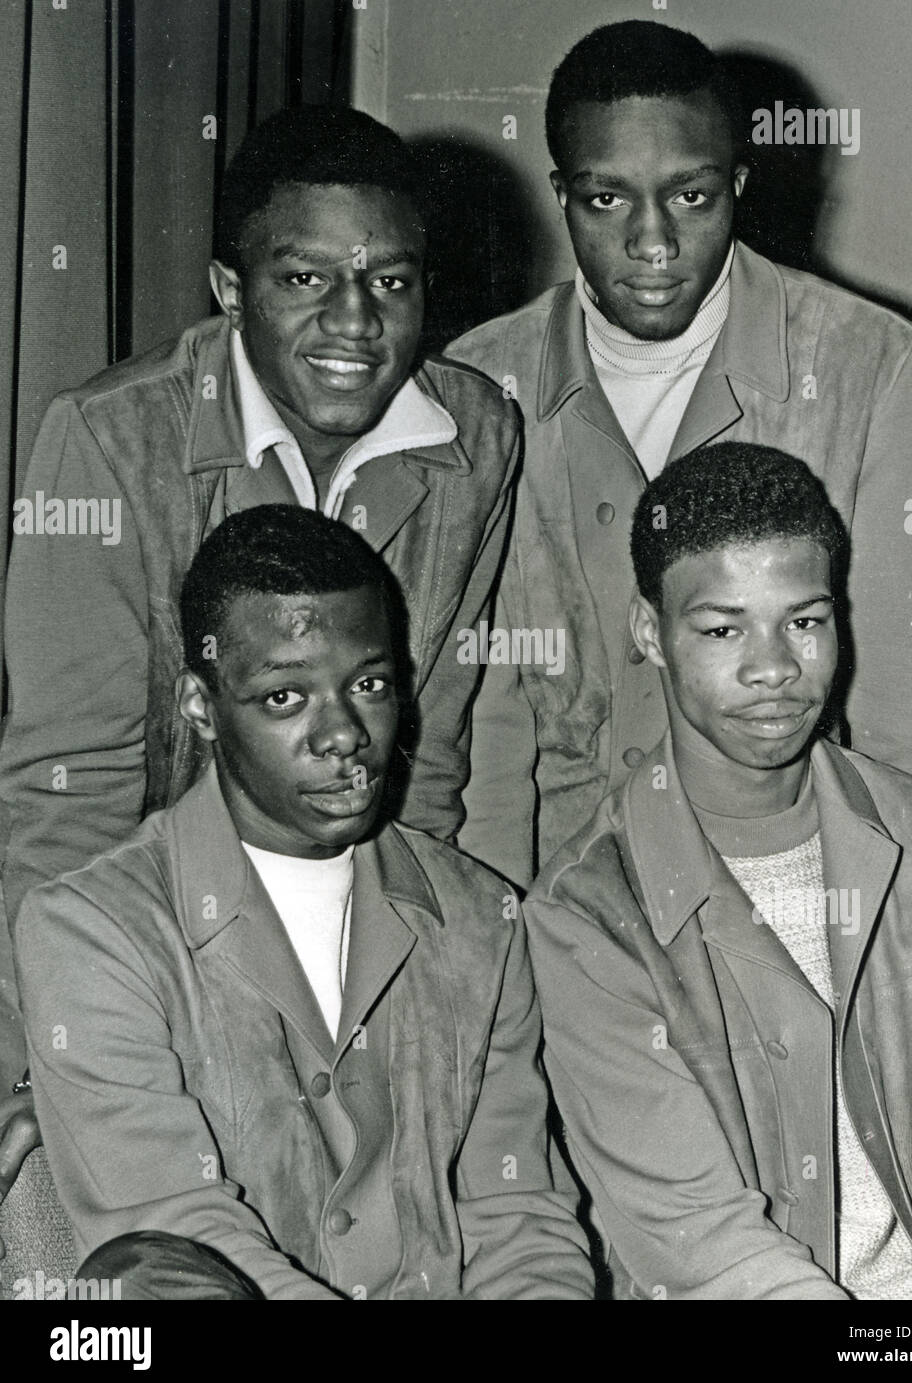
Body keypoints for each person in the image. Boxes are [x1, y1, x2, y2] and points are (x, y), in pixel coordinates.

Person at [0, 104, 518, 1110]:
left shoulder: (477, 438)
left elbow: (432, 759)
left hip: (355, 925)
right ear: (230, 291)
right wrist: (45, 1063)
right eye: (303, 279)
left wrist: (431, 1005)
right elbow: (64, 798)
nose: (354, 321)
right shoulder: (108, 442)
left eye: (390, 281)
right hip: (153, 939)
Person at [13, 505, 593, 1300]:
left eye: (369, 684)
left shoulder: (481, 918)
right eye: (285, 697)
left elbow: (521, 1213)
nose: (344, 734)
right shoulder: (91, 929)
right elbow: (181, 1229)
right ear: (199, 706)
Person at [450, 20, 912, 888]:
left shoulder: (867, 365)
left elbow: (910, 741)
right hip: (557, 918)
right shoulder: (476, 382)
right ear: (561, 193)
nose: (653, 245)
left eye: (691, 197)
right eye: (606, 199)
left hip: (792, 905)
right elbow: (477, 732)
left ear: (738, 184)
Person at [523, 443, 912, 1300]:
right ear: (652, 634)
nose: (775, 668)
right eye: (722, 629)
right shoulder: (587, 910)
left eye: (804, 620)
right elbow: (707, 1245)